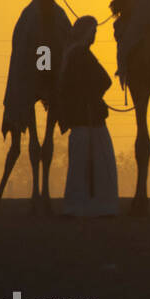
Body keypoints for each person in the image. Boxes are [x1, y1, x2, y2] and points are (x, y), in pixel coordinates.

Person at [57, 16, 119, 217]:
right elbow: (104, 79)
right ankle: (98, 206)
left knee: (80, 165)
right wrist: (91, 96)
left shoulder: (71, 54)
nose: (94, 37)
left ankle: (79, 206)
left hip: (81, 118)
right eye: (93, 32)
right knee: (100, 163)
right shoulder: (81, 54)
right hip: (89, 119)